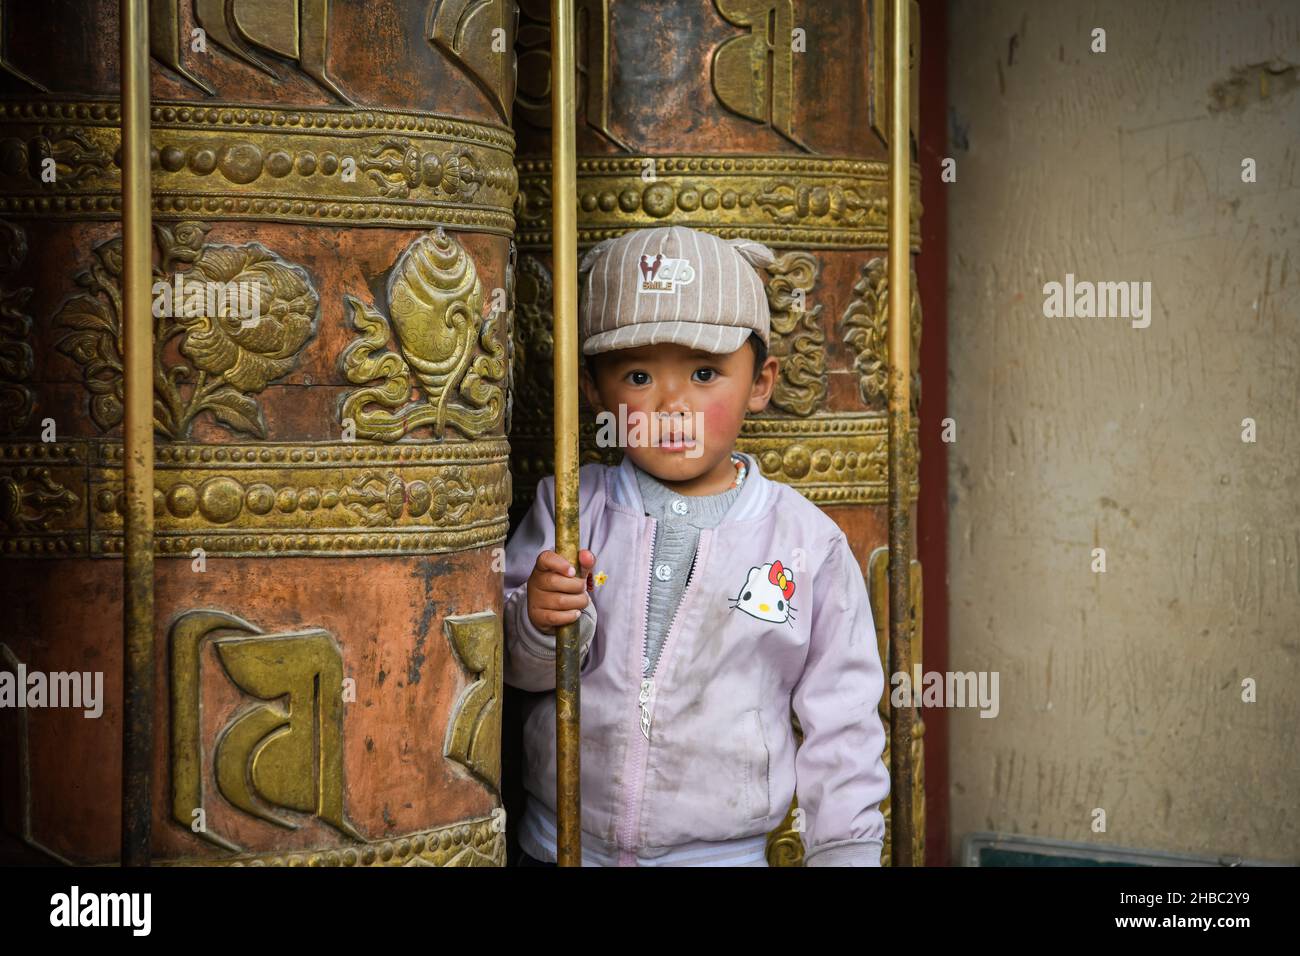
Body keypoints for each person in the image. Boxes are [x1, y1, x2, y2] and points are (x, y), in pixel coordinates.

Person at [503, 225, 889, 867]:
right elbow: (512, 673)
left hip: (722, 857)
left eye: (705, 372)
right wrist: (540, 624)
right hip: (561, 845)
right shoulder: (570, 508)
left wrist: (844, 855)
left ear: (761, 383)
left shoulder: (803, 542)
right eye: (638, 374)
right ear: (595, 390)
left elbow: (842, 724)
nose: (672, 402)